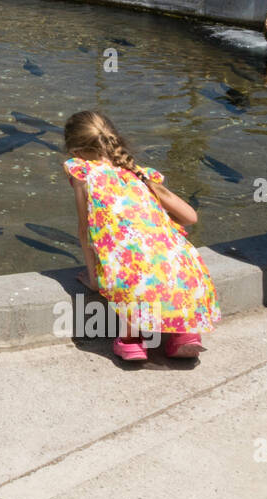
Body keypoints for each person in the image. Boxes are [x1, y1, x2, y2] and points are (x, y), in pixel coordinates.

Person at [62, 111, 220, 362]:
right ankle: (185, 337)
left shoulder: (83, 173)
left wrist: (94, 280)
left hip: (137, 278)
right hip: (187, 273)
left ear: (75, 150)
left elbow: (86, 233)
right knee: (168, 258)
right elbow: (190, 217)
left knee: (130, 268)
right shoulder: (141, 174)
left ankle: (132, 342)